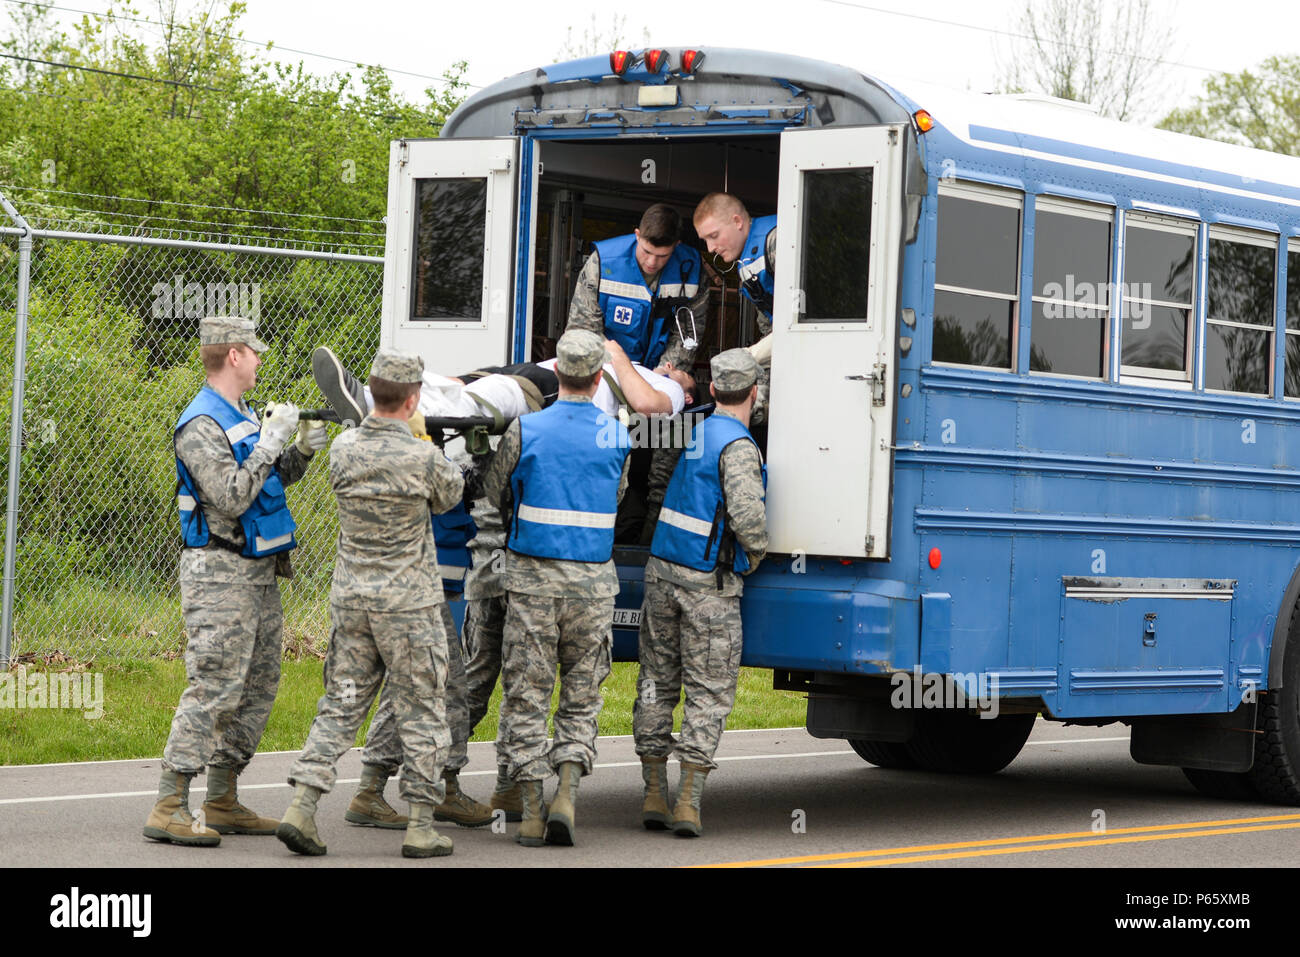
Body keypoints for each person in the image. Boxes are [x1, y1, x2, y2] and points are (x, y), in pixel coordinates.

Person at [144, 316, 325, 848]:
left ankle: (221, 798)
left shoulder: (241, 413)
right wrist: (270, 443)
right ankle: (169, 804)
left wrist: (300, 453)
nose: (261, 359)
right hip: (219, 575)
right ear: (233, 355)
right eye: (255, 351)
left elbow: (266, 480)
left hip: (258, 572)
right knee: (215, 687)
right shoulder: (200, 423)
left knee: (258, 686)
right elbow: (230, 496)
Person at [277, 348, 465, 859]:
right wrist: (423, 436)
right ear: (413, 399)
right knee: (423, 708)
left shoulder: (343, 449)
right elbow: (451, 495)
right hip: (410, 606)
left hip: (352, 598)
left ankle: (301, 806)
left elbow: (364, 442)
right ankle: (421, 823)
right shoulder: (424, 457)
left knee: (340, 704)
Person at [480, 329, 632, 847]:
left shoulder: (526, 429)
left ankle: (528, 811)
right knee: (581, 695)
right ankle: (566, 793)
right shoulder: (617, 434)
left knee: (527, 695)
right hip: (593, 587)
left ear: (557, 375)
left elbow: (496, 491)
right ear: (596, 379)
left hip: (531, 585)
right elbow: (619, 492)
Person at [633, 348, 768, 838]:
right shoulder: (738, 446)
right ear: (755, 393)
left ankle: (652, 790)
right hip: (708, 587)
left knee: (656, 681)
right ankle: (687, 802)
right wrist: (753, 559)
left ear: (711, 390)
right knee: (708, 693)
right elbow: (749, 519)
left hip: (661, 574)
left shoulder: (693, 429)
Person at [312, 344, 694, 427]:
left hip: (551, 387)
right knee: (454, 383)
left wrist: (618, 355)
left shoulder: (672, 391)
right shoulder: (644, 367)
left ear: (687, 391)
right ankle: (373, 398)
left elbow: (649, 407)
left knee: (483, 398)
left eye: (680, 372)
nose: (672, 367)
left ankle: (374, 407)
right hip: (532, 371)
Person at [566, 203, 709, 373]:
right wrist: (620, 371)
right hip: (603, 370)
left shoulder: (692, 270)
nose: (652, 262)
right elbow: (583, 328)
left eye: (662, 256)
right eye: (647, 251)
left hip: (660, 373)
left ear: (677, 245)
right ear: (637, 235)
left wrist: (662, 376)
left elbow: (688, 336)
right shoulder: (603, 262)